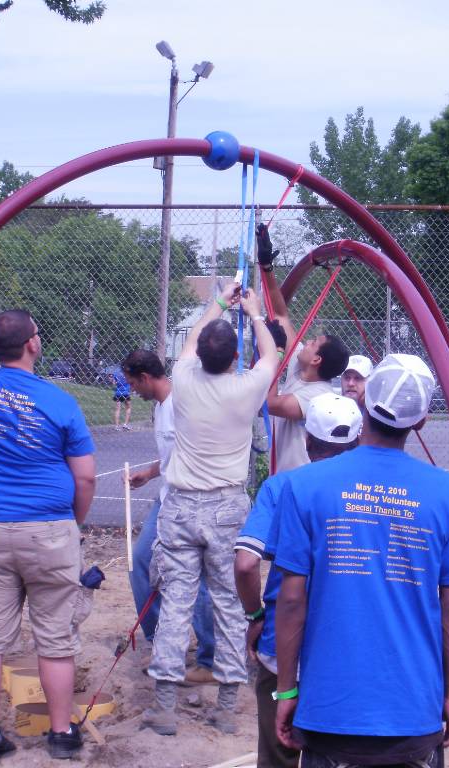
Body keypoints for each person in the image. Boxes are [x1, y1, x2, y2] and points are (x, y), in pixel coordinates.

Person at [274, 354, 449, 767]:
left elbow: (290, 601)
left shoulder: (304, 486)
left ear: (361, 404)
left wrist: (286, 691)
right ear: (422, 421)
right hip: (411, 710)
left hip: (330, 709)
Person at [0, 230, 97, 760]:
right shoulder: (60, 403)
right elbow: (85, 477)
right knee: (56, 639)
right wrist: (73, 524)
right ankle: (61, 735)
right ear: (33, 343)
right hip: (51, 531)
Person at [143, 281, 277, 736]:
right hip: (225, 507)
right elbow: (272, 355)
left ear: (200, 355)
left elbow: (187, 342)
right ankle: (226, 705)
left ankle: (164, 706)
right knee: (227, 603)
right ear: (235, 359)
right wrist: (255, 312)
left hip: (180, 506)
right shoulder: (248, 388)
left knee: (177, 600)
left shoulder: (182, 379)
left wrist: (221, 299)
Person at [234, 392, 363, 768]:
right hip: (345, 646)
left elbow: (245, 564)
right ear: (357, 439)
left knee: (279, 747)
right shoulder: (372, 494)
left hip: (282, 649)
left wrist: (255, 615)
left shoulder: (281, 487)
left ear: (307, 440)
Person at [122, 348, 216, 686]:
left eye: (133, 383)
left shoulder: (180, 405)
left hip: (190, 503)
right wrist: (149, 473)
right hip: (166, 500)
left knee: (196, 579)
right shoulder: (161, 407)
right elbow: (171, 456)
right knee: (141, 561)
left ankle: (210, 658)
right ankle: (160, 643)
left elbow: (196, 453)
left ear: (146, 378)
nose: (132, 389)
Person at [257, 223, 349, 473]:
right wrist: (267, 268)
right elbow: (281, 314)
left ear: (317, 360)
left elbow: (266, 403)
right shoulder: (300, 366)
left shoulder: (316, 397)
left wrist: (275, 353)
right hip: (285, 476)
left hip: (298, 479)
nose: (307, 341)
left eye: (313, 343)